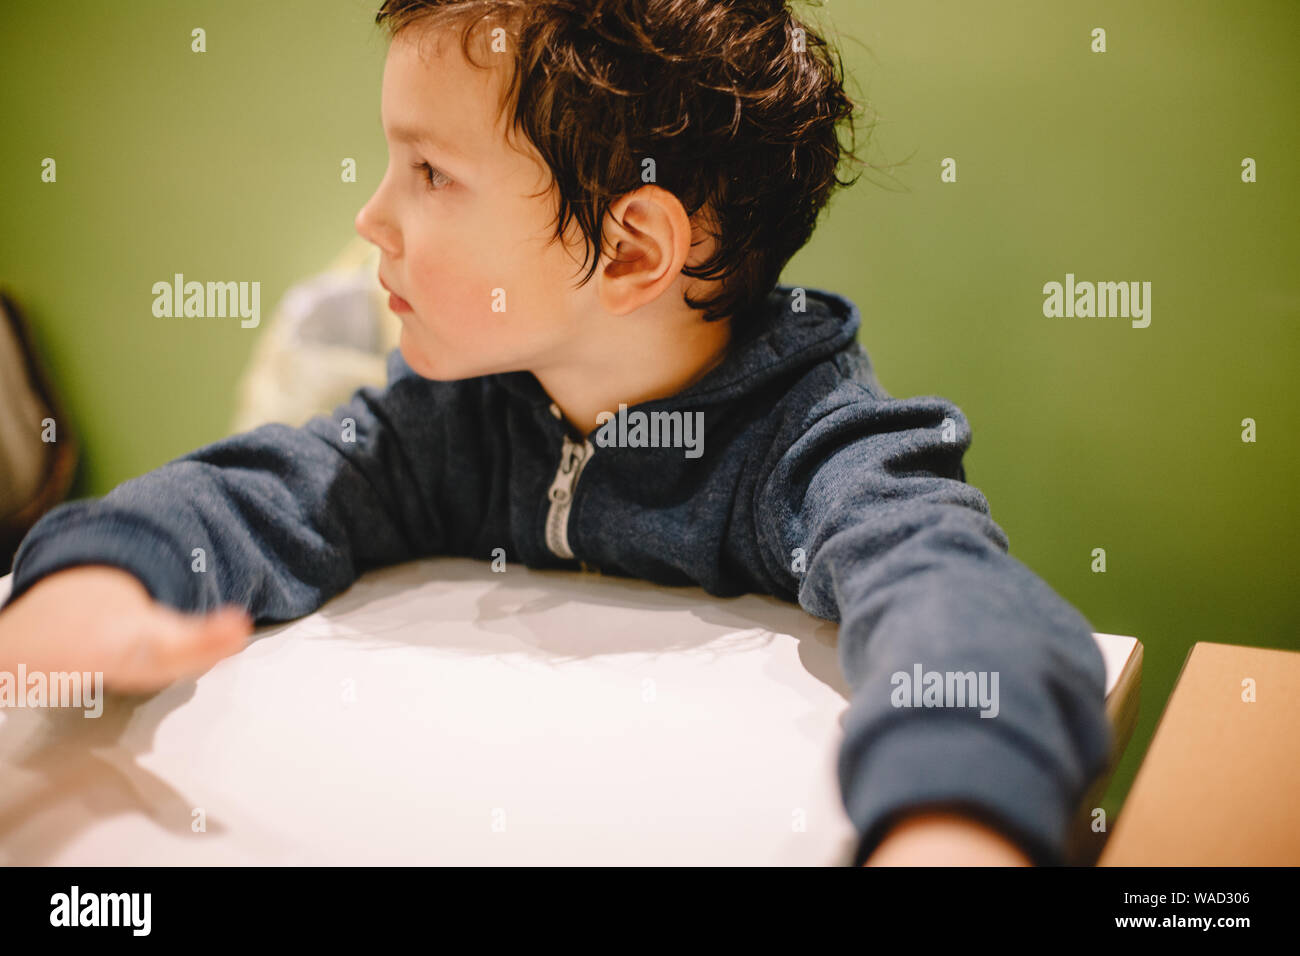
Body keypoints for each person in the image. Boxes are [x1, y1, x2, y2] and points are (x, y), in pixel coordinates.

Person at [0, 0, 1110, 867]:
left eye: (430, 170)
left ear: (631, 251)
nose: (370, 216)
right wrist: (95, 581)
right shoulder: (452, 426)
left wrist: (953, 813)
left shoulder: (821, 450)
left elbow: (962, 609)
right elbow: (261, 491)